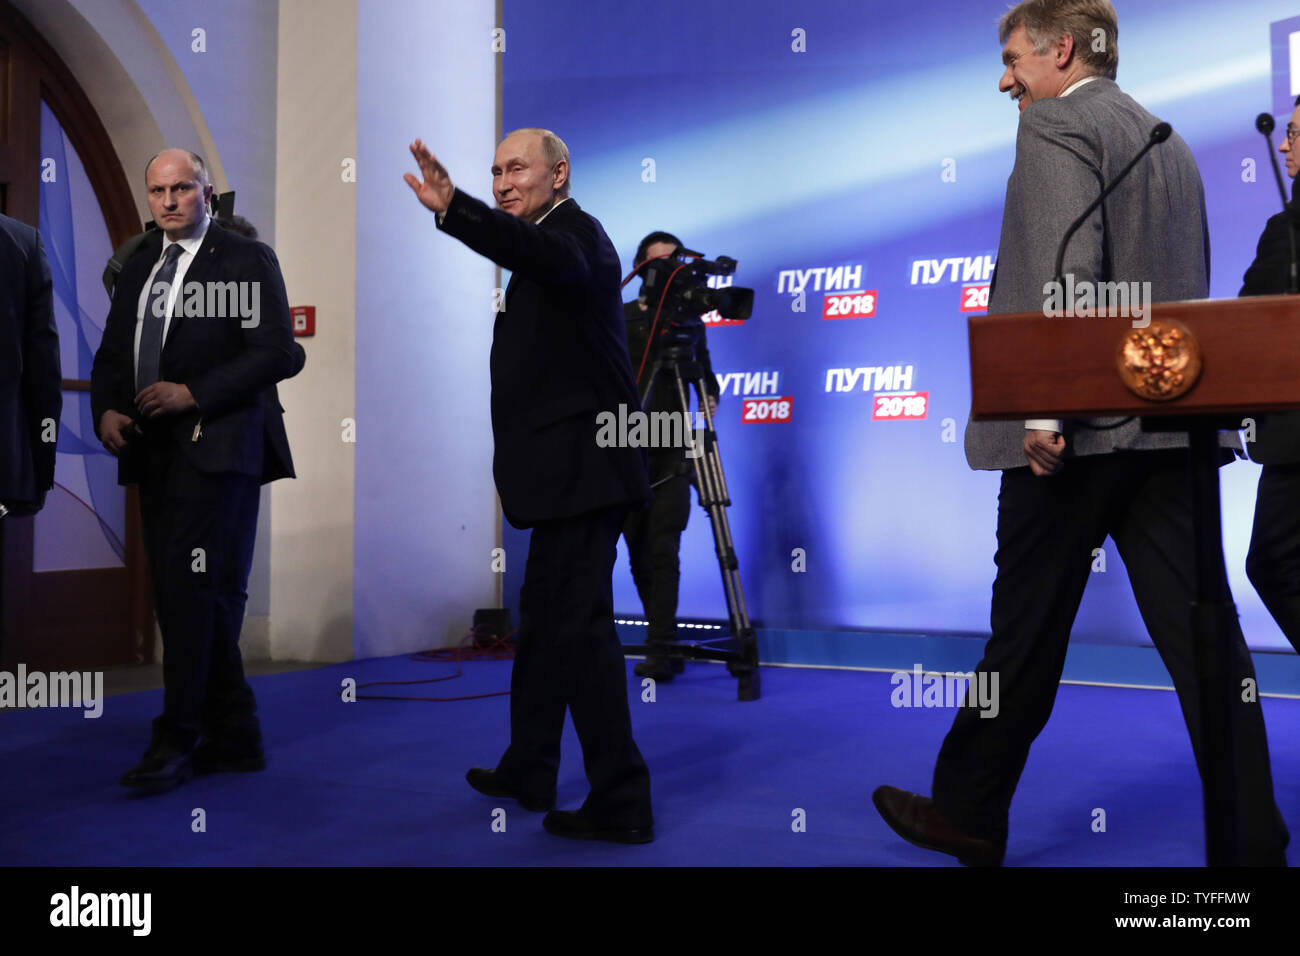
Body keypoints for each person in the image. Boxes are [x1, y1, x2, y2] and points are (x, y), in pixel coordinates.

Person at [873, 0, 1288, 866]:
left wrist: (1044, 409)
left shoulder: (1057, 124)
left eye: (1014, 58)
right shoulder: (1167, 139)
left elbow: (1065, 268)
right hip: (1168, 433)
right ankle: (1252, 840)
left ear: (1062, 50)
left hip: (1071, 436)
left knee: (1021, 637)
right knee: (1206, 639)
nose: (1005, 78)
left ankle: (971, 813)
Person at [404, 128, 655, 843]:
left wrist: (458, 209)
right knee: (544, 626)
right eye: (495, 171)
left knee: (580, 632)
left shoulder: (575, 238)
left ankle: (622, 799)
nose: (504, 180)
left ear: (559, 174)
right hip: (565, 478)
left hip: (590, 473)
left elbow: (536, 252)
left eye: (517, 168)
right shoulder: (544, 246)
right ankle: (530, 767)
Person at [90, 149, 301, 793]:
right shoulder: (137, 266)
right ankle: (235, 734)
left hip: (221, 448)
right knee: (188, 596)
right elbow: (111, 352)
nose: (170, 201)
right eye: (158, 190)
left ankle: (176, 736)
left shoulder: (243, 259)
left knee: (192, 596)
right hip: (153, 452)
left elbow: (280, 353)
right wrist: (105, 409)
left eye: (183, 188)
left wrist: (194, 393)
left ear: (208, 192)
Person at [623, 231, 720, 682]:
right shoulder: (618, 318)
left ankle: (662, 647)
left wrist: (709, 402)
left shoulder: (689, 326)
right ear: (640, 269)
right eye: (656, 265)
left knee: (664, 551)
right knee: (639, 554)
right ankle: (660, 638)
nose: (664, 274)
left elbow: (707, 379)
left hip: (675, 450)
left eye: (671, 265)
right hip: (624, 447)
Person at [1239, 94, 1300, 653]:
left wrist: (1218, 416)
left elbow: (1244, 333)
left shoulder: (1288, 232)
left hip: (1295, 443)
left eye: (1295, 133)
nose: (1283, 144)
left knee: (1275, 563)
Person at [0, 213, 60, 521]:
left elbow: (43, 368)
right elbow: (43, 372)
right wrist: (39, 470)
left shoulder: (23, 242)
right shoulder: (22, 241)